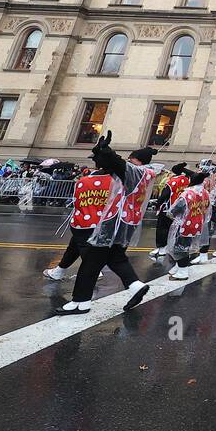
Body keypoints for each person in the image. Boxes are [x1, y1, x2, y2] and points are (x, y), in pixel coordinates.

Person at [54, 135, 160, 316]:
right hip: (124, 224)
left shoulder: (135, 172)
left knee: (90, 264)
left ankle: (80, 302)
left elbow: (118, 165)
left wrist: (108, 151)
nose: (128, 161)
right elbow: (114, 167)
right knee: (116, 258)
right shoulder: (146, 174)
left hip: (111, 223)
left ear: (137, 160)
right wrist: (101, 153)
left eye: (131, 159)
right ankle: (136, 286)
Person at [166, 172, 213, 280]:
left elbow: (174, 210)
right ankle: (178, 267)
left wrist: (170, 214)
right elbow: (207, 208)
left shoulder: (187, 194)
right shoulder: (205, 193)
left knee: (179, 249)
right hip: (197, 224)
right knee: (185, 246)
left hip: (184, 225)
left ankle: (183, 272)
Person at [150, 163, 191, 259]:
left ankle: (162, 248)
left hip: (168, 209)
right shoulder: (186, 180)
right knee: (175, 230)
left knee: (162, 228)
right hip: (180, 209)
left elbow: (164, 196)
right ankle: (172, 246)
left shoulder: (171, 182)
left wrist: (157, 205)